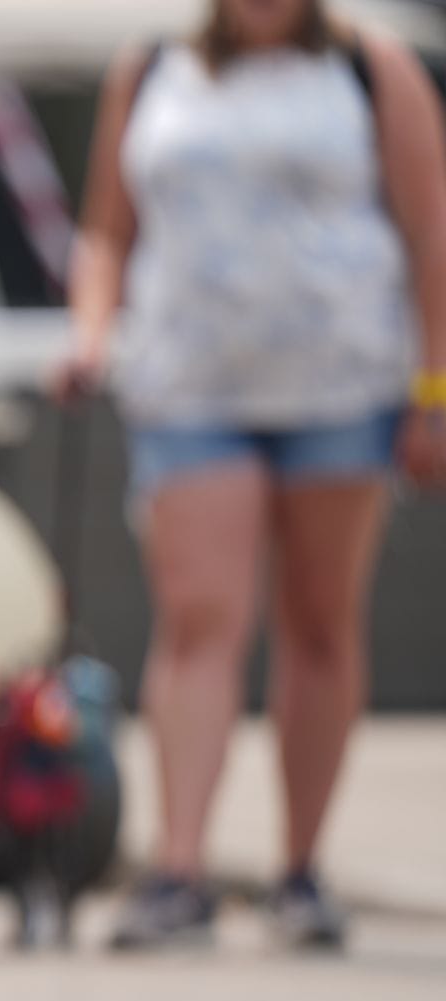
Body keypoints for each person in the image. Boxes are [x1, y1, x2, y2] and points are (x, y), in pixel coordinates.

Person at [59, 0, 446, 949]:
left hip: (341, 390)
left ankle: (300, 871)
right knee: (200, 615)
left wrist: (434, 389)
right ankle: (180, 868)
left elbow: (431, 235)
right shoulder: (151, 69)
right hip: (191, 389)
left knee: (319, 619)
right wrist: (91, 331)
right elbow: (108, 230)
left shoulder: (373, 68)